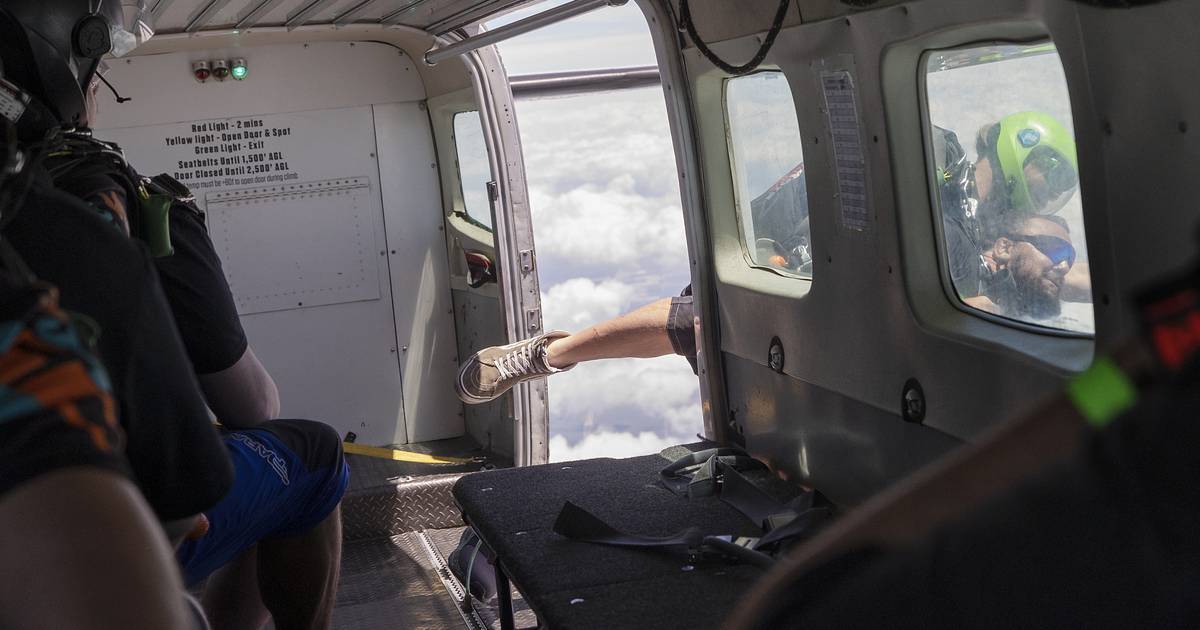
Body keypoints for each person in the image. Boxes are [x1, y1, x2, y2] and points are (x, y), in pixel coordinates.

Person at [2, 3, 349, 628]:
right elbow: (251, 412)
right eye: (96, 68)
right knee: (314, 453)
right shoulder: (106, 220)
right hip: (93, 541)